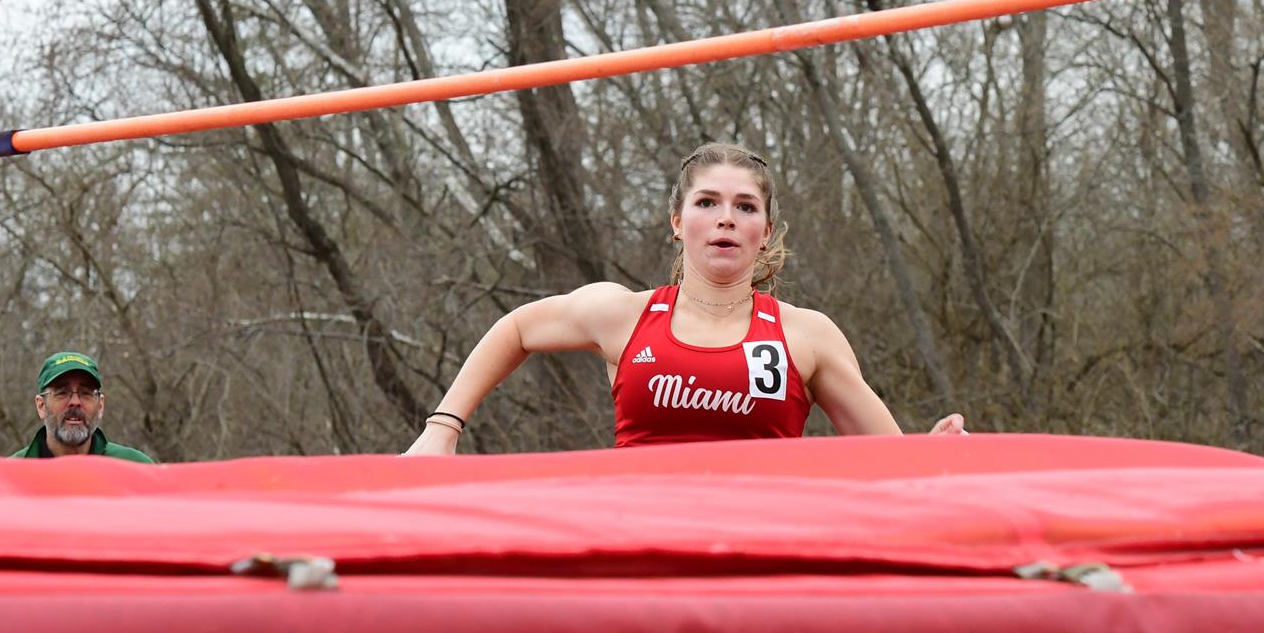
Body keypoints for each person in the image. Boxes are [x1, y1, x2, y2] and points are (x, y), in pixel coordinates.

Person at [405, 143, 965, 454]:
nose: (726, 217)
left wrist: (933, 457)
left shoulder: (804, 335)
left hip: (757, 567)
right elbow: (517, 329)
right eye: (708, 203)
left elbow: (891, 460)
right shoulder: (622, 314)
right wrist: (442, 428)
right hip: (645, 555)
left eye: (746, 207)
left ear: (764, 230)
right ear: (678, 221)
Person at [12, 351, 156, 461]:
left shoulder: (134, 467)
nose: (75, 401)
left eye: (86, 393)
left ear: (100, 406)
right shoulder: (8, 476)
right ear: (41, 406)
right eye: (62, 393)